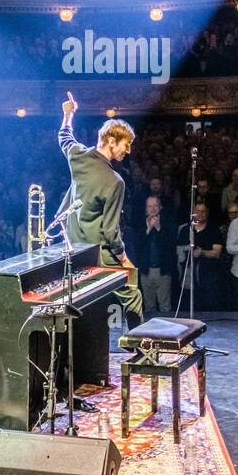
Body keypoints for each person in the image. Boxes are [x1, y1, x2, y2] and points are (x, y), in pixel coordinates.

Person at [58, 92, 142, 323]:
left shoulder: (79, 156)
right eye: (126, 145)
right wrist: (124, 259)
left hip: (72, 247)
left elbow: (64, 137)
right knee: (132, 290)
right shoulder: (115, 181)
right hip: (97, 252)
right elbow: (110, 230)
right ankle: (139, 348)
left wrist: (68, 115)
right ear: (111, 141)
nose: (128, 151)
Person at [177, 199, 224, 311]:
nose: (200, 214)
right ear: (193, 212)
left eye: (203, 211)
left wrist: (202, 252)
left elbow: (217, 253)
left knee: (209, 306)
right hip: (188, 278)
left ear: (207, 212)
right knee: (189, 307)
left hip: (208, 277)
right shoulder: (185, 230)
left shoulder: (214, 230)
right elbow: (178, 253)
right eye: (197, 211)